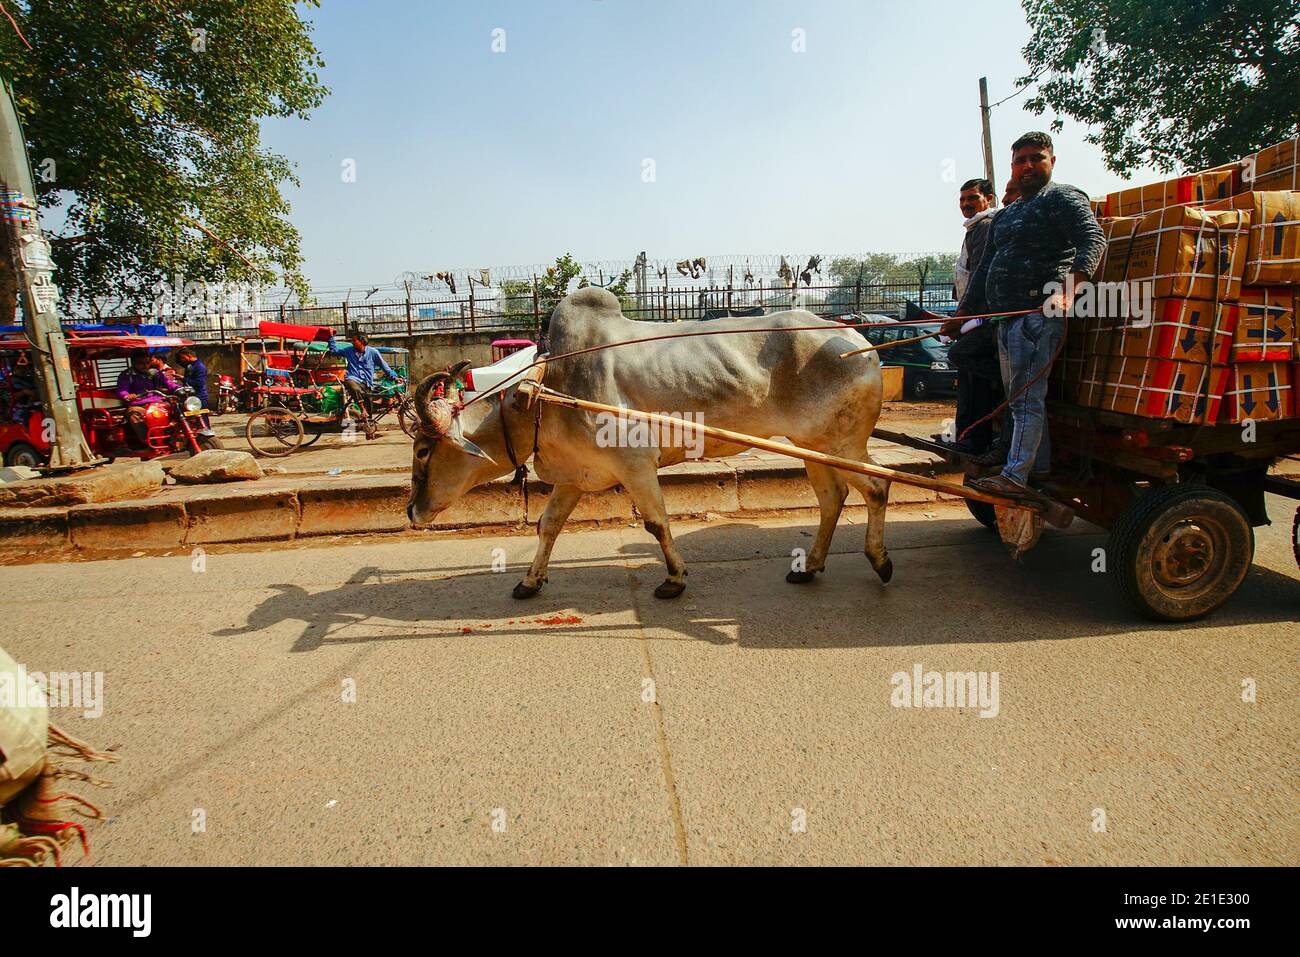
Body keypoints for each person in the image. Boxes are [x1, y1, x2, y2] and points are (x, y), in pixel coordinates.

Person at [956, 131, 1105, 494]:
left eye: (1035, 158)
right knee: (1018, 398)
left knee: (1024, 399)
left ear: (1051, 161)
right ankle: (1037, 467)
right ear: (1012, 167)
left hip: (1037, 316)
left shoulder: (1062, 198)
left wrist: (1069, 291)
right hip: (1006, 321)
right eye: (1020, 160)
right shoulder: (1008, 215)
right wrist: (960, 316)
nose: (1027, 166)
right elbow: (984, 268)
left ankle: (1015, 477)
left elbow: (1093, 239)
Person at [940, 179, 999, 454]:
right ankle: (964, 434)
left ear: (988, 198)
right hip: (973, 318)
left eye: (972, 198)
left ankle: (978, 434)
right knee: (966, 374)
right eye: (961, 200)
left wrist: (961, 317)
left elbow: (980, 276)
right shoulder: (973, 230)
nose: (965, 204)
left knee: (964, 360)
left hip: (985, 319)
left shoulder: (986, 227)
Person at [326, 329, 396, 438]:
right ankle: (362, 410)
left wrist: (394, 376)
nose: (352, 343)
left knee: (369, 408)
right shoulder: (349, 351)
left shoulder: (373, 352)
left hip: (367, 383)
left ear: (362, 341)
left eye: (354, 340)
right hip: (353, 379)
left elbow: (384, 366)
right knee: (351, 385)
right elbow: (334, 351)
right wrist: (330, 337)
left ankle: (369, 430)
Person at [116, 352, 177, 445]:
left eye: (147, 363)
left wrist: (179, 388)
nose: (145, 366)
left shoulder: (156, 372)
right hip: (139, 404)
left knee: (177, 407)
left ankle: (176, 435)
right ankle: (149, 441)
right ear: (134, 363)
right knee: (134, 415)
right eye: (141, 363)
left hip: (158, 401)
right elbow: (122, 390)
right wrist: (127, 396)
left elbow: (169, 383)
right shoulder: (126, 375)